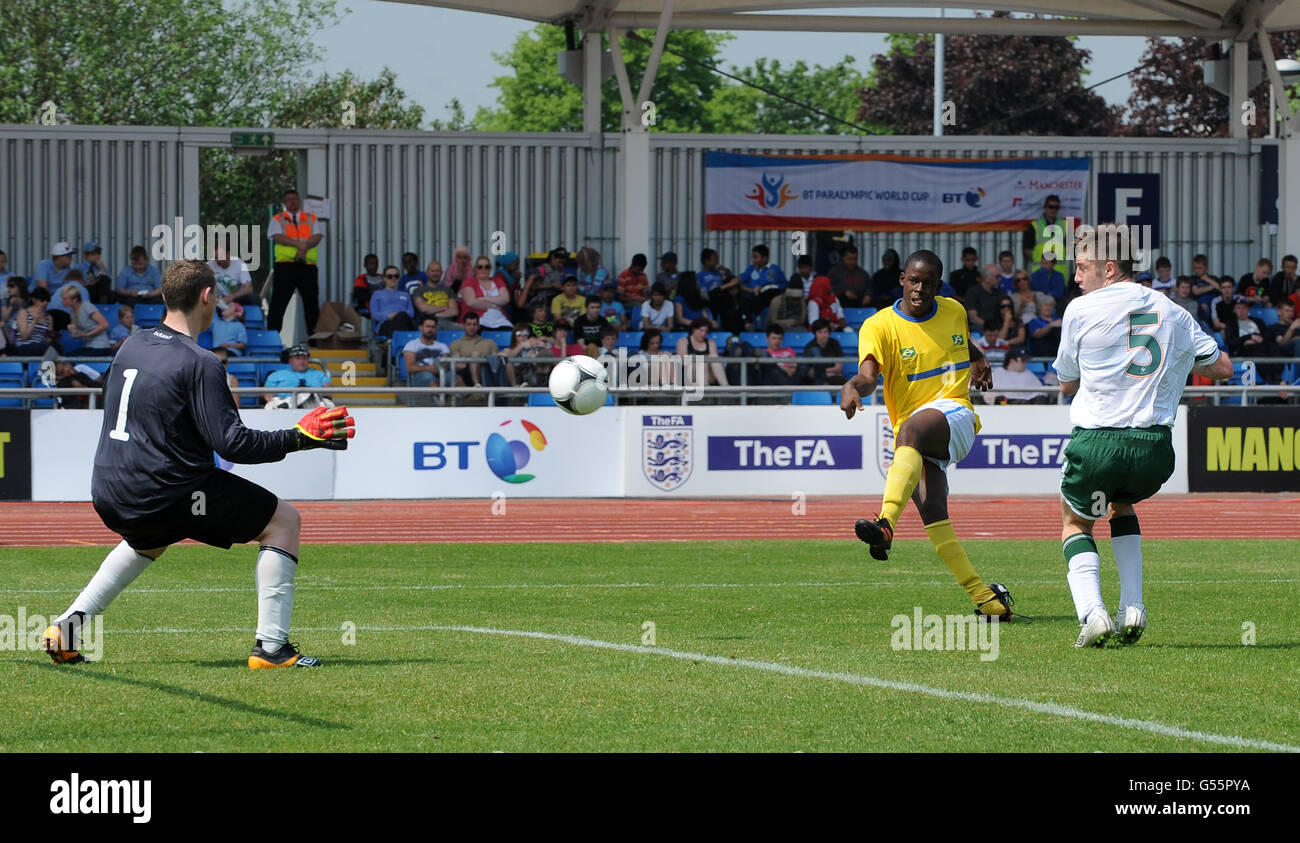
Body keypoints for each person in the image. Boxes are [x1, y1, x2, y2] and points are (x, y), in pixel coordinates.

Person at [40, 260, 354, 670]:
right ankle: (272, 649)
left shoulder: (131, 344)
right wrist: (300, 437)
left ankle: (66, 628)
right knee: (283, 521)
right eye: (216, 296)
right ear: (206, 296)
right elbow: (235, 444)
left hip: (109, 489)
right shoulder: (200, 361)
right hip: (167, 492)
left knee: (148, 539)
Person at [1054, 224, 1231, 648]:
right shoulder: (1174, 310)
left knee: (1075, 521)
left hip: (1098, 442)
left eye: (1082, 267)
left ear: (1109, 269)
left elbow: (1065, 382)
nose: (1076, 277)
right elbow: (1222, 367)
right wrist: (1181, 361)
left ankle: (1092, 613)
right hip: (1153, 450)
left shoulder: (1080, 309)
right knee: (1122, 503)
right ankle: (1132, 607)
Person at [843, 249, 1012, 621]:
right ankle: (988, 600)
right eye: (913, 281)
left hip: (955, 415)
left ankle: (885, 524)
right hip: (916, 435)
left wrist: (979, 358)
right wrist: (852, 385)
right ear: (902, 279)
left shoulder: (953, 309)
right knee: (933, 511)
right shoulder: (879, 325)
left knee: (912, 430)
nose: (919, 289)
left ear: (938, 286)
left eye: (928, 283)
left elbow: (958, 339)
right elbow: (870, 376)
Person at [267, 189, 324, 333]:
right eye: (289, 199)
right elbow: (278, 237)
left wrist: (304, 249)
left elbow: (317, 236)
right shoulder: (277, 218)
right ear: (285, 203)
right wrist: (300, 245)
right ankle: (273, 337)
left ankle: (314, 338)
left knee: (311, 303)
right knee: (278, 303)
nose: (292, 202)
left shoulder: (311, 218)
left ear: (299, 201)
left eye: (295, 199)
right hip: (285, 266)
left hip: (307, 266)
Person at [402, 315, 451, 404]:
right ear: (421, 328)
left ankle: (472, 402)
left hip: (440, 373)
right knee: (430, 379)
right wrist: (427, 368)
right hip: (421, 375)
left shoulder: (442, 346)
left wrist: (440, 369)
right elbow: (410, 368)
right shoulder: (411, 345)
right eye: (427, 326)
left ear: (436, 329)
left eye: (433, 327)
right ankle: (443, 404)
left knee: (456, 379)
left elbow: (446, 363)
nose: (430, 329)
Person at [263, 344, 333, 407]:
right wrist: (268, 395)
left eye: (304, 358)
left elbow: (328, 390)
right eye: (298, 358)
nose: (302, 362)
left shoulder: (319, 374)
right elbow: (267, 394)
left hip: (313, 403)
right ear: (290, 360)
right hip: (285, 403)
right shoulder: (276, 375)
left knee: (329, 405)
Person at [449, 311, 502, 390]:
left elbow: (496, 361)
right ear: (464, 326)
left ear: (478, 326)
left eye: (474, 324)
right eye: (469, 324)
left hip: (489, 372)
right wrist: (473, 362)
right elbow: (458, 365)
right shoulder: (456, 344)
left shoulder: (490, 342)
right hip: (467, 375)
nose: (472, 327)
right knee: (475, 354)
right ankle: (477, 384)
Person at [458, 255, 513, 330]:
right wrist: (494, 306)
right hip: (478, 321)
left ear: (490, 269)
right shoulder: (469, 282)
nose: (483, 269)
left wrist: (483, 298)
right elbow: (471, 302)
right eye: (480, 267)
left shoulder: (498, 281)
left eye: (487, 267)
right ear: (475, 269)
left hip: (501, 321)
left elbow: (505, 299)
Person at [674, 317, 728, 389]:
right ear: (694, 329)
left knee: (713, 357)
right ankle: (704, 390)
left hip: (709, 375)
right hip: (690, 374)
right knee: (702, 361)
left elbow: (715, 362)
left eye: (706, 331)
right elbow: (682, 362)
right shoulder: (683, 341)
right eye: (701, 330)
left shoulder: (711, 342)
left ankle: (726, 387)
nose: (703, 334)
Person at [983, 348, 1049, 404]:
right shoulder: (998, 373)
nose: (1025, 363)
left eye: (1025, 361)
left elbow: (1041, 393)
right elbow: (989, 395)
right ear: (1012, 361)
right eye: (1022, 361)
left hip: (1029, 409)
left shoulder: (1028, 373)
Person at [60, 286, 112, 356]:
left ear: (74, 299)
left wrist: (87, 334)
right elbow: (78, 333)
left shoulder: (87, 306)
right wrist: (73, 330)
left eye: (65, 299)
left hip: (100, 346)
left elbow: (105, 324)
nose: (61, 301)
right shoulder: (72, 311)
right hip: (88, 346)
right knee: (67, 357)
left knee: (72, 359)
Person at [368, 266, 416, 336]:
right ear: (384, 278)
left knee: (402, 317)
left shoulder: (406, 295)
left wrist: (398, 316)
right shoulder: (377, 294)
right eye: (390, 276)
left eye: (396, 276)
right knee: (401, 319)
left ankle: (391, 342)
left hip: (404, 322)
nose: (393, 279)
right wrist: (388, 316)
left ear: (399, 278)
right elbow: (374, 314)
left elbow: (411, 313)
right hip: (386, 324)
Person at [796, 319, 845, 386]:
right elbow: (811, 373)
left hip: (833, 378)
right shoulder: (810, 346)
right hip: (816, 380)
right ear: (815, 333)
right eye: (819, 332)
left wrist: (821, 371)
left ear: (829, 332)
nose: (823, 335)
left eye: (825, 332)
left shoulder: (835, 343)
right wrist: (830, 371)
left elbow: (839, 368)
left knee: (846, 384)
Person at [1022, 194, 1063, 272]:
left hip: (1059, 272)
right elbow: (1027, 249)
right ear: (1045, 207)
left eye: (1056, 207)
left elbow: (1071, 249)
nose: (1054, 210)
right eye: (1051, 207)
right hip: (1040, 271)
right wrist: (1039, 259)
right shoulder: (1034, 226)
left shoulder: (1065, 225)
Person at [412, 265, 460, 330]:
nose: (435, 273)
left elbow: (454, 311)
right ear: (427, 273)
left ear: (441, 273)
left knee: (466, 329)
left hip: (448, 323)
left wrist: (433, 314)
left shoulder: (448, 290)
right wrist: (444, 307)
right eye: (432, 271)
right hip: (429, 324)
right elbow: (423, 309)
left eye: (438, 271)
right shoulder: (418, 291)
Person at [11, 287, 54, 356]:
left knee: (53, 348)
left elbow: (48, 338)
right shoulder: (24, 313)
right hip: (24, 346)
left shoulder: (49, 317)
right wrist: (34, 320)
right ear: (34, 299)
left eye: (47, 300)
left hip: (41, 346)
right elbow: (24, 337)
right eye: (42, 300)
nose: (45, 303)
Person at [964, 264, 1003, 333]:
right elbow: (973, 318)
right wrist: (990, 328)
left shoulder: (999, 293)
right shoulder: (973, 293)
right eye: (997, 276)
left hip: (997, 328)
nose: (1000, 279)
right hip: (979, 328)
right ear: (987, 279)